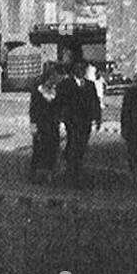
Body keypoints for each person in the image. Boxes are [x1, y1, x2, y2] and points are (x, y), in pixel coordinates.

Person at [57, 57, 101, 186]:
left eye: (83, 68)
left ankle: (77, 168)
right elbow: (61, 102)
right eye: (78, 68)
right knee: (73, 143)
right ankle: (71, 171)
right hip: (72, 121)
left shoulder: (89, 85)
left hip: (85, 121)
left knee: (82, 144)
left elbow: (95, 102)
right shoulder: (66, 84)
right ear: (74, 70)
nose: (81, 71)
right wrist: (63, 117)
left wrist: (97, 118)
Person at [28, 69, 62, 182]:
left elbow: (58, 108)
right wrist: (33, 124)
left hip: (52, 125)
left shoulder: (56, 92)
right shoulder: (38, 92)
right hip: (41, 125)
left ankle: (49, 173)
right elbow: (33, 109)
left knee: (52, 148)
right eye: (52, 78)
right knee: (39, 149)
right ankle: (35, 174)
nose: (54, 80)